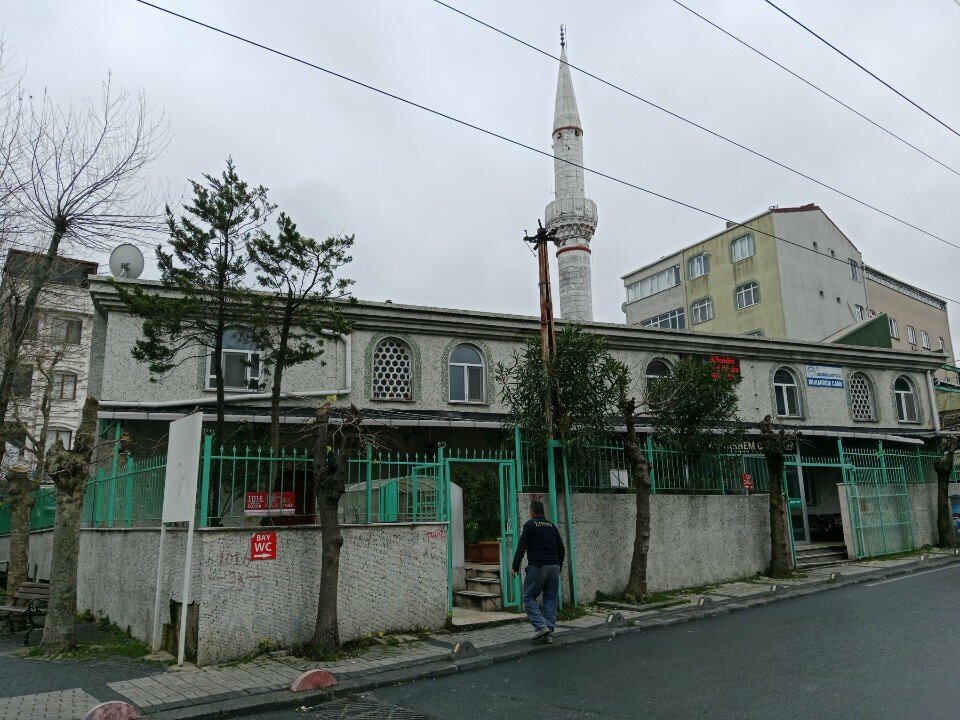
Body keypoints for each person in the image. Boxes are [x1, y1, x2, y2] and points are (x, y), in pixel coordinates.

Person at [511, 499, 565, 642]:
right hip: (554, 567)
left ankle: (541, 627)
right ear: (542, 512)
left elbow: (521, 547)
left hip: (538, 567)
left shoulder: (530, 525)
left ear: (532, 512)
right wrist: (559, 566)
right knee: (551, 599)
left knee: (528, 597)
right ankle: (548, 632)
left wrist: (515, 566)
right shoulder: (552, 526)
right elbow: (561, 549)